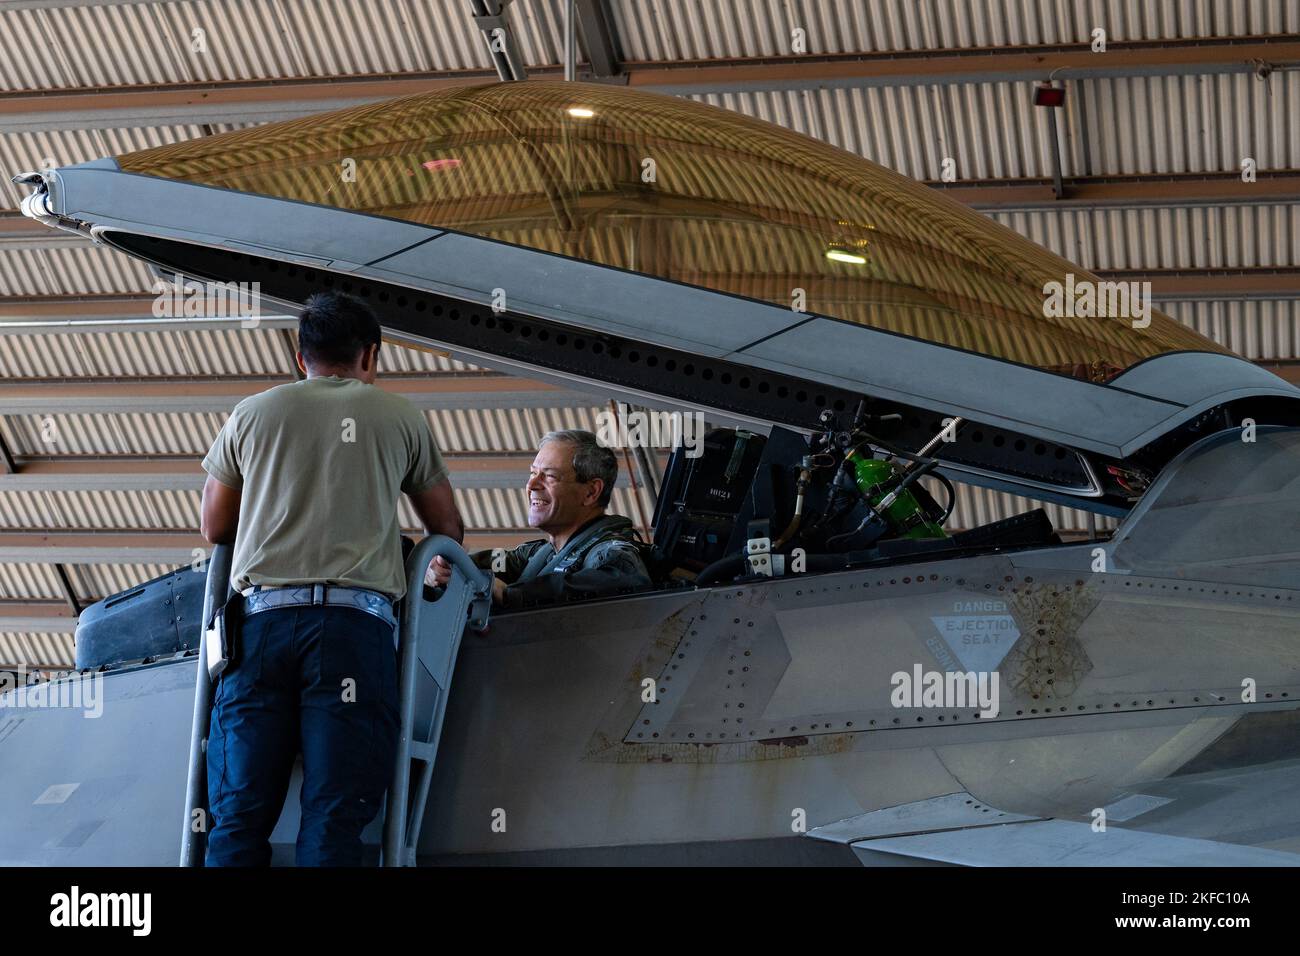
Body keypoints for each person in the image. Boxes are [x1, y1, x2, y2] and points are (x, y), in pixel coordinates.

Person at [199, 291, 463, 867]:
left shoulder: (253, 413)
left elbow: (215, 525)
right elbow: (446, 528)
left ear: (301, 359)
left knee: (238, 808)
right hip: (352, 631)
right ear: (371, 355)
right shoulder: (399, 417)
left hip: (260, 629)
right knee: (335, 809)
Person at [432, 429, 651, 607]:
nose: (532, 485)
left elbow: (623, 580)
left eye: (550, 476)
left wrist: (510, 595)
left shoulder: (610, 552)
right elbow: (496, 563)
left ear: (591, 492)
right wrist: (445, 568)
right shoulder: (540, 554)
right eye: (532, 473)